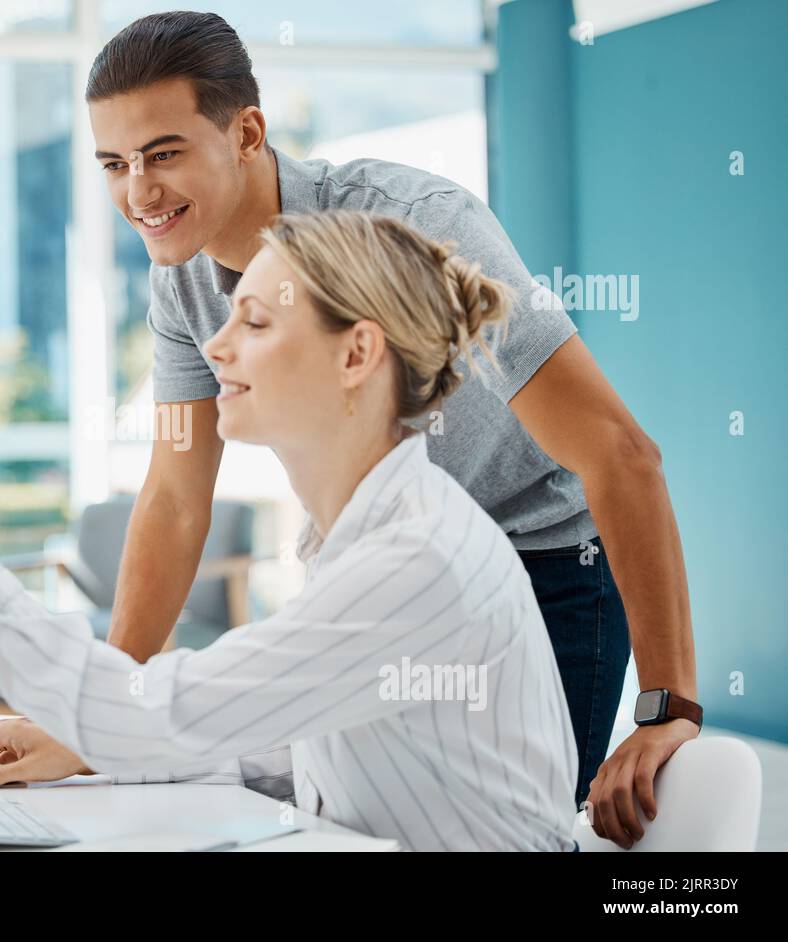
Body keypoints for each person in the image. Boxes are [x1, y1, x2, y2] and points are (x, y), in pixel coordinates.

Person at [0, 210, 578, 851]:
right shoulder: (360, 534)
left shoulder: (415, 557)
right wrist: (83, 745)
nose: (216, 345)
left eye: (255, 322)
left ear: (356, 355)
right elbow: (298, 742)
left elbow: (155, 710)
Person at [81, 11, 699, 848]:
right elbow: (175, 495)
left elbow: (620, 452)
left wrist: (669, 705)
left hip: (544, 572)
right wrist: (108, 713)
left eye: (163, 154)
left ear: (248, 132)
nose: (138, 193)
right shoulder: (182, 283)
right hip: (380, 579)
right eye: (115, 164)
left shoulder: (412, 223)